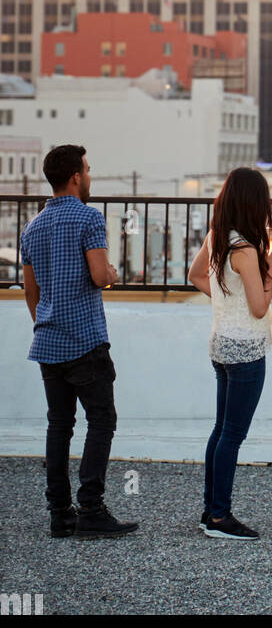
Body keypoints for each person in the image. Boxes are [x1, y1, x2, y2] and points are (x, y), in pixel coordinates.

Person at [20, 145, 138, 540]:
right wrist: (113, 273)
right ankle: (92, 509)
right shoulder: (89, 217)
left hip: (48, 342)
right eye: (87, 170)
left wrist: (46, 324)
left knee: (59, 426)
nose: (90, 176)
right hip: (85, 340)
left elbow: (30, 292)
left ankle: (59, 513)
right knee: (102, 421)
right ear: (75, 177)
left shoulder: (32, 227)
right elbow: (100, 275)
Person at [188, 166, 272, 540]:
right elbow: (259, 307)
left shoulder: (219, 236)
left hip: (221, 343)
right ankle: (220, 517)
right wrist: (270, 270)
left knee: (221, 430)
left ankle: (211, 511)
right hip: (245, 349)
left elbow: (195, 275)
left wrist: (228, 302)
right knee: (232, 435)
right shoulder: (245, 249)